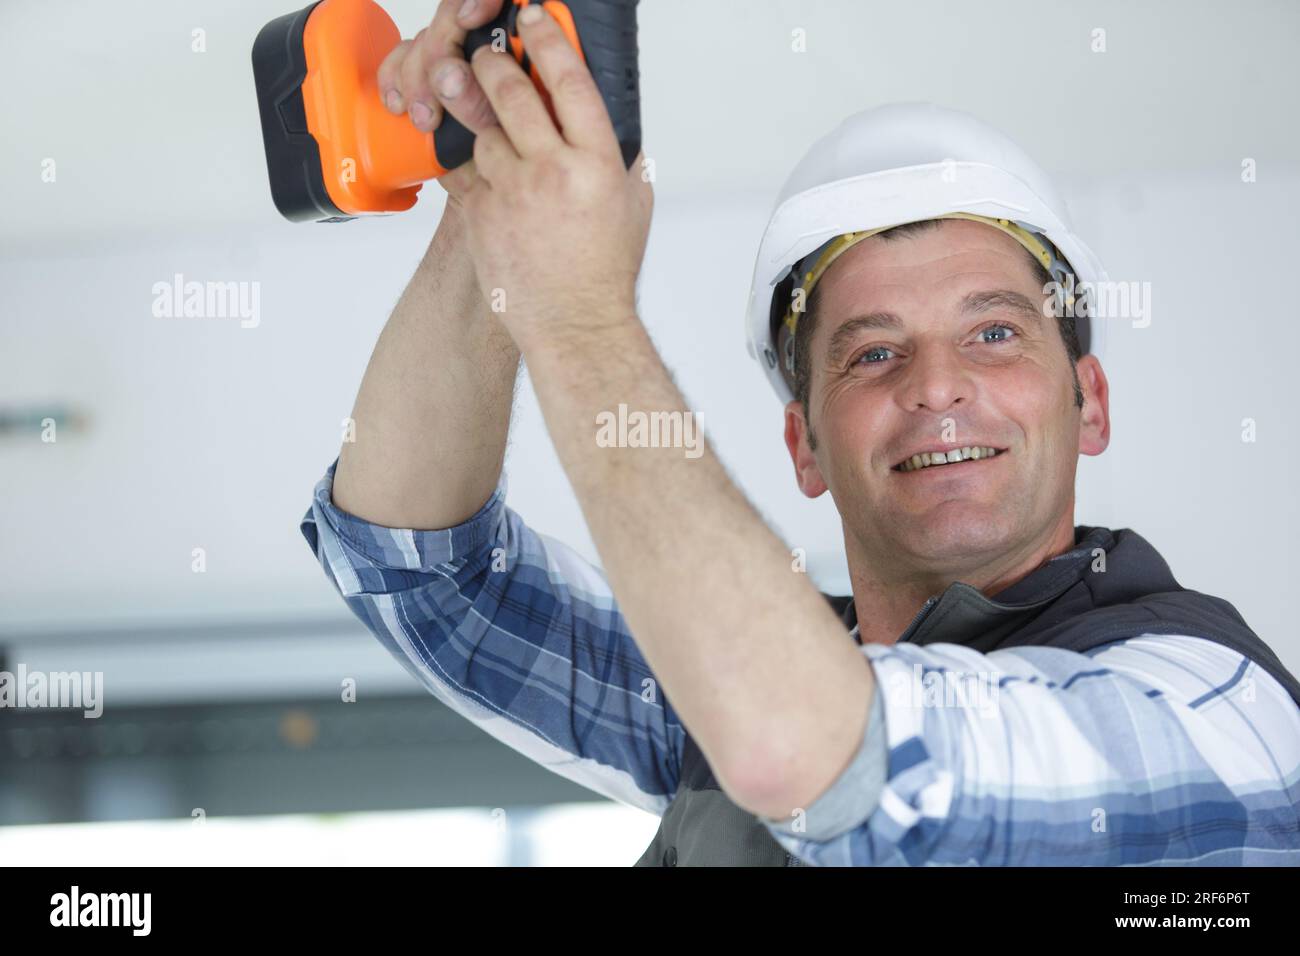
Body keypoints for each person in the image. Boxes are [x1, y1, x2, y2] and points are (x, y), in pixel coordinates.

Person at [301, 0, 1300, 865]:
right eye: (872, 352)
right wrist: (492, 182)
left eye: (995, 332)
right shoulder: (737, 673)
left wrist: (577, 313)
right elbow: (426, 572)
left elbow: (834, 758)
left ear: (1090, 402)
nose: (938, 385)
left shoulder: (1210, 701)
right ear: (804, 447)